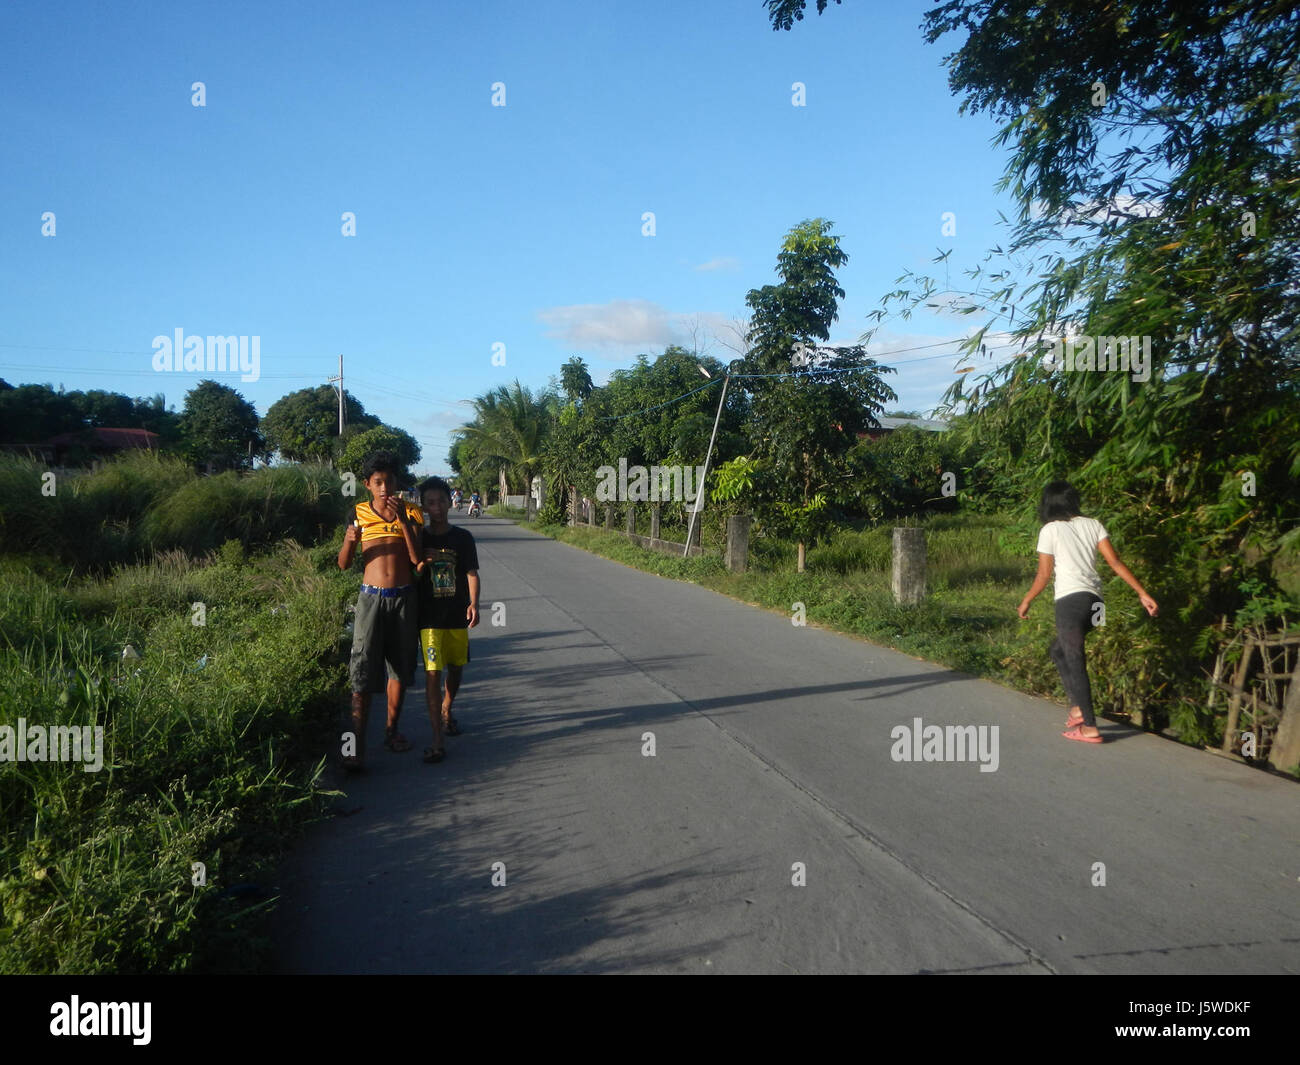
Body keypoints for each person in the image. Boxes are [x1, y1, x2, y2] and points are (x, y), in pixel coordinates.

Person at [1018, 481, 1158, 743]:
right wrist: (1142, 592)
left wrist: (1027, 600)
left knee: (1074, 658)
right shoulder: (1093, 524)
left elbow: (1044, 574)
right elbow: (1114, 562)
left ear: (1048, 504)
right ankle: (1077, 707)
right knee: (1058, 650)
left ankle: (1090, 726)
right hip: (1096, 605)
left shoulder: (1050, 530)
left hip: (1071, 602)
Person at [337, 451, 424, 770]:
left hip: (404, 598)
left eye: (389, 481)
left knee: (400, 669)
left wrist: (402, 522)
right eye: (378, 482)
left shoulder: (413, 512)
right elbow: (344, 564)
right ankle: (355, 748)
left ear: (396, 482)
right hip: (370, 600)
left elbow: (417, 563)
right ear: (367, 485)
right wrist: (349, 541)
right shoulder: (357, 513)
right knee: (361, 671)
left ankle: (392, 732)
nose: (385, 487)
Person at [415, 476, 481, 763]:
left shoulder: (463, 538)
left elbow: (471, 572)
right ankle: (436, 739)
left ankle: (447, 708)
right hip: (429, 618)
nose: (438, 507)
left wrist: (475, 604)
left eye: (441, 500)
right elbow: (410, 573)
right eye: (431, 502)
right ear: (424, 506)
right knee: (432, 674)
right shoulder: (418, 537)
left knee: (455, 669)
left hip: (456, 615)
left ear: (449, 500)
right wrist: (421, 562)